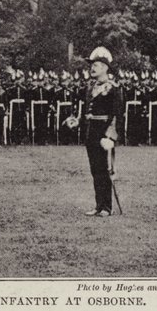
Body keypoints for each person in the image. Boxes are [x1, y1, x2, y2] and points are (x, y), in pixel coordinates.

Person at [65, 46, 123, 217]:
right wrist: (78, 121)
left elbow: (117, 115)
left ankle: (107, 207)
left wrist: (111, 137)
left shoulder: (113, 88)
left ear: (105, 67)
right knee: (95, 170)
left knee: (104, 170)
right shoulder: (90, 87)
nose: (92, 68)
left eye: (96, 65)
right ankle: (99, 205)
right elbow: (88, 113)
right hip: (91, 133)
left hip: (103, 134)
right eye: (92, 65)